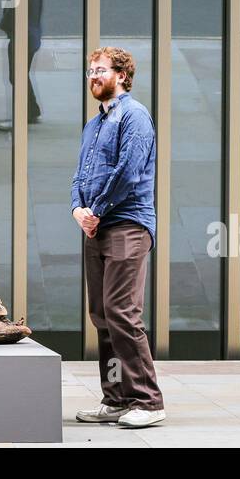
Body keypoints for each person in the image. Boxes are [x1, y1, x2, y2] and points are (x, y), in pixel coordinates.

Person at [70, 47, 165, 428]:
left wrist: (97, 210)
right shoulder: (93, 125)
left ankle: (148, 400)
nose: (93, 76)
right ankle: (116, 398)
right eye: (90, 71)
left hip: (127, 224)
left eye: (100, 70)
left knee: (122, 312)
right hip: (97, 226)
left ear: (122, 75)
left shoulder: (135, 116)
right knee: (103, 317)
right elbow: (79, 174)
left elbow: (128, 172)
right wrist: (78, 209)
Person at [0, 0, 44, 129]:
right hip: (32, 35)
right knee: (21, 74)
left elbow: (11, 15)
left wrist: (4, 25)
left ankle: (21, 118)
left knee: (16, 76)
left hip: (22, 38)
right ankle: (33, 110)